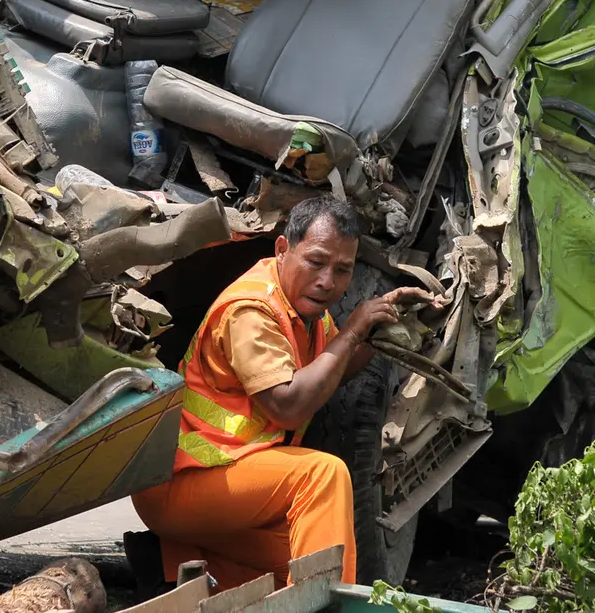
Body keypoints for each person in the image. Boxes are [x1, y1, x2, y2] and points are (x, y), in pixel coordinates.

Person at [125, 195, 437, 594]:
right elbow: (289, 407)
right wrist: (355, 329)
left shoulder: (303, 308)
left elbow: (330, 370)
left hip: (222, 482)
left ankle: (174, 566)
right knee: (322, 475)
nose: (328, 281)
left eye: (343, 270)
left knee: (320, 553)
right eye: (316, 262)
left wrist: (386, 329)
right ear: (283, 249)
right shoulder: (250, 310)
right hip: (179, 486)